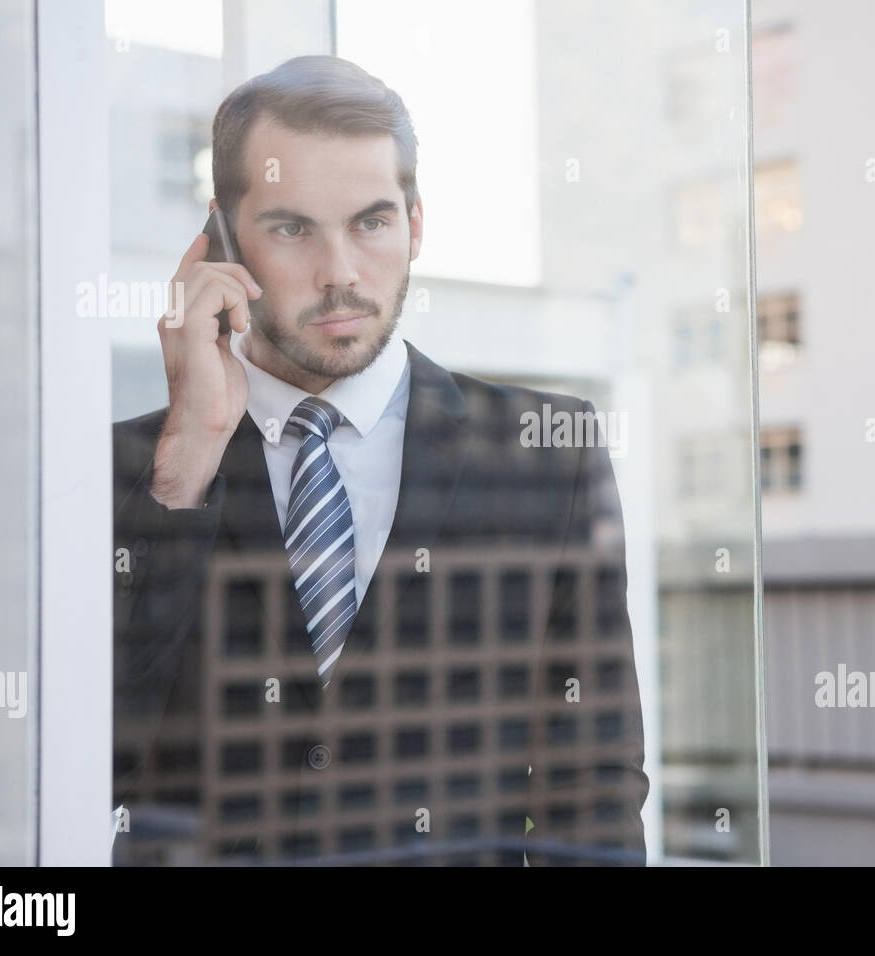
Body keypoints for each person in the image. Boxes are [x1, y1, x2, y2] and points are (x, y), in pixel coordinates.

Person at [111, 55, 648, 866]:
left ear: (416, 224)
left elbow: (595, 794)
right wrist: (186, 464)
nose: (341, 276)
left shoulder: (547, 457)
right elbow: (83, 760)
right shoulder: (129, 472)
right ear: (221, 240)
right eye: (292, 228)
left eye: (371, 222)